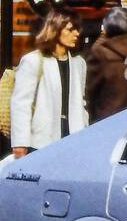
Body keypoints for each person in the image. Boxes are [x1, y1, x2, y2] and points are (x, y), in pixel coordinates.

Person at [10, 11, 88, 157]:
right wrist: (20, 143)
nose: (76, 34)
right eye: (70, 29)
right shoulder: (33, 61)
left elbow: (81, 102)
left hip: (73, 140)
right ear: (55, 30)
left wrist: (84, 129)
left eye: (77, 29)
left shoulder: (79, 63)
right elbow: (21, 104)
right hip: (41, 142)